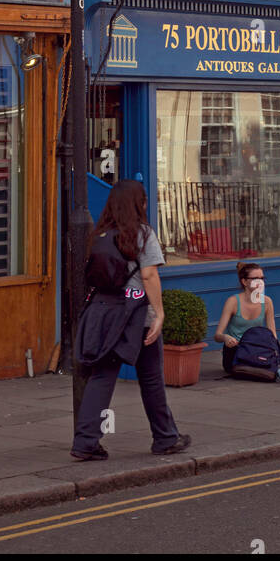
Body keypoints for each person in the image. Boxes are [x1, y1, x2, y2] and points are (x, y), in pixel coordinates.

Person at [71, 178, 192, 461]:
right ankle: (165, 438)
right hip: (136, 315)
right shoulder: (143, 234)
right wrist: (159, 314)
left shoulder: (100, 234)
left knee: (101, 377)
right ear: (139, 204)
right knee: (150, 378)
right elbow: (149, 276)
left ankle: (85, 442)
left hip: (104, 311)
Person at [214, 262, 280, 375]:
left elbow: (272, 334)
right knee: (235, 357)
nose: (260, 282)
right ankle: (266, 364)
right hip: (238, 351)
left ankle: (261, 364)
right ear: (244, 281)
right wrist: (226, 337)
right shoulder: (233, 302)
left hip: (258, 348)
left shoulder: (266, 302)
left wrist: (272, 350)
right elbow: (217, 336)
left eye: (262, 278)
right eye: (255, 279)